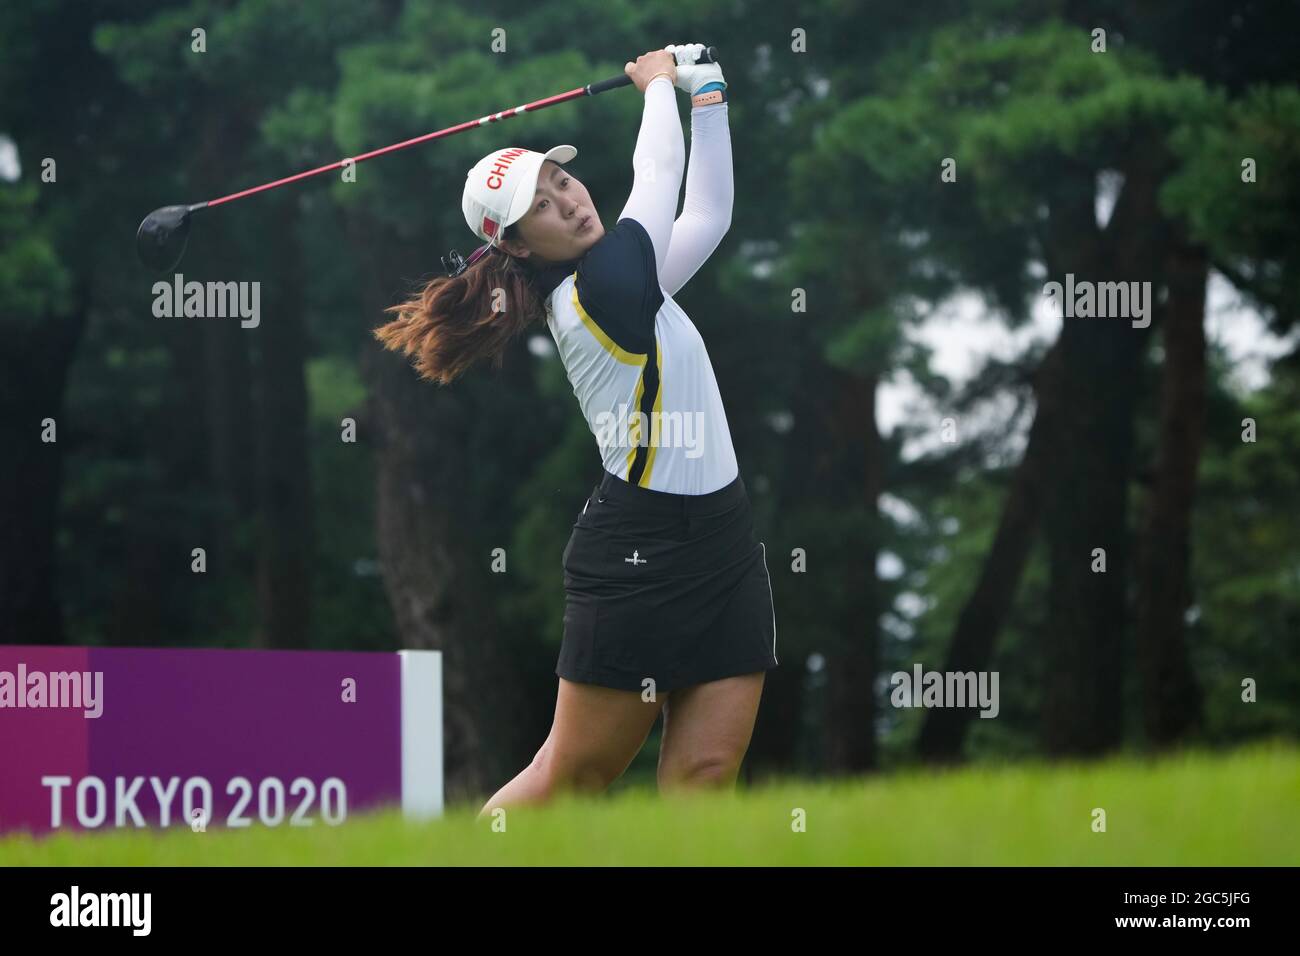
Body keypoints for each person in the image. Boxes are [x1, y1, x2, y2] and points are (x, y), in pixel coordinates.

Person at [373, 45, 777, 815]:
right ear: (518, 247)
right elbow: (657, 184)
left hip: (723, 539)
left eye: (562, 180)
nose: (569, 201)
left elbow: (709, 215)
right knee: (570, 778)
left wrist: (710, 98)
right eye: (543, 207)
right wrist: (658, 85)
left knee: (707, 778)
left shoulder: (627, 275)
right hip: (639, 551)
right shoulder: (598, 291)